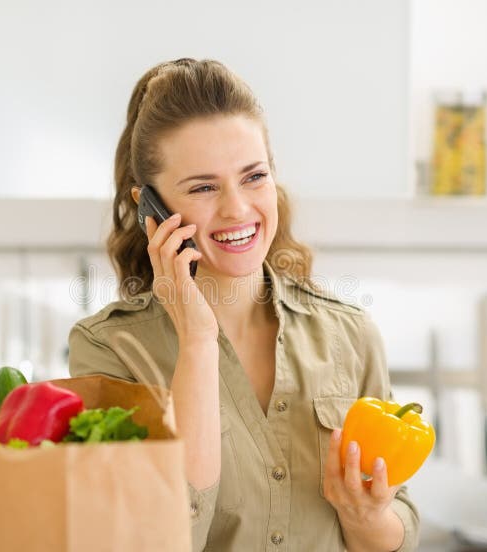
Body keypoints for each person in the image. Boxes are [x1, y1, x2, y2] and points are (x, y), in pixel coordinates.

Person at [68, 57, 419, 551]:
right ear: (152, 208)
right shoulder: (111, 350)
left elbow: (396, 519)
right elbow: (155, 538)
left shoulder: (349, 334)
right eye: (204, 187)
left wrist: (366, 518)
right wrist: (197, 341)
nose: (237, 208)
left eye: (253, 177)